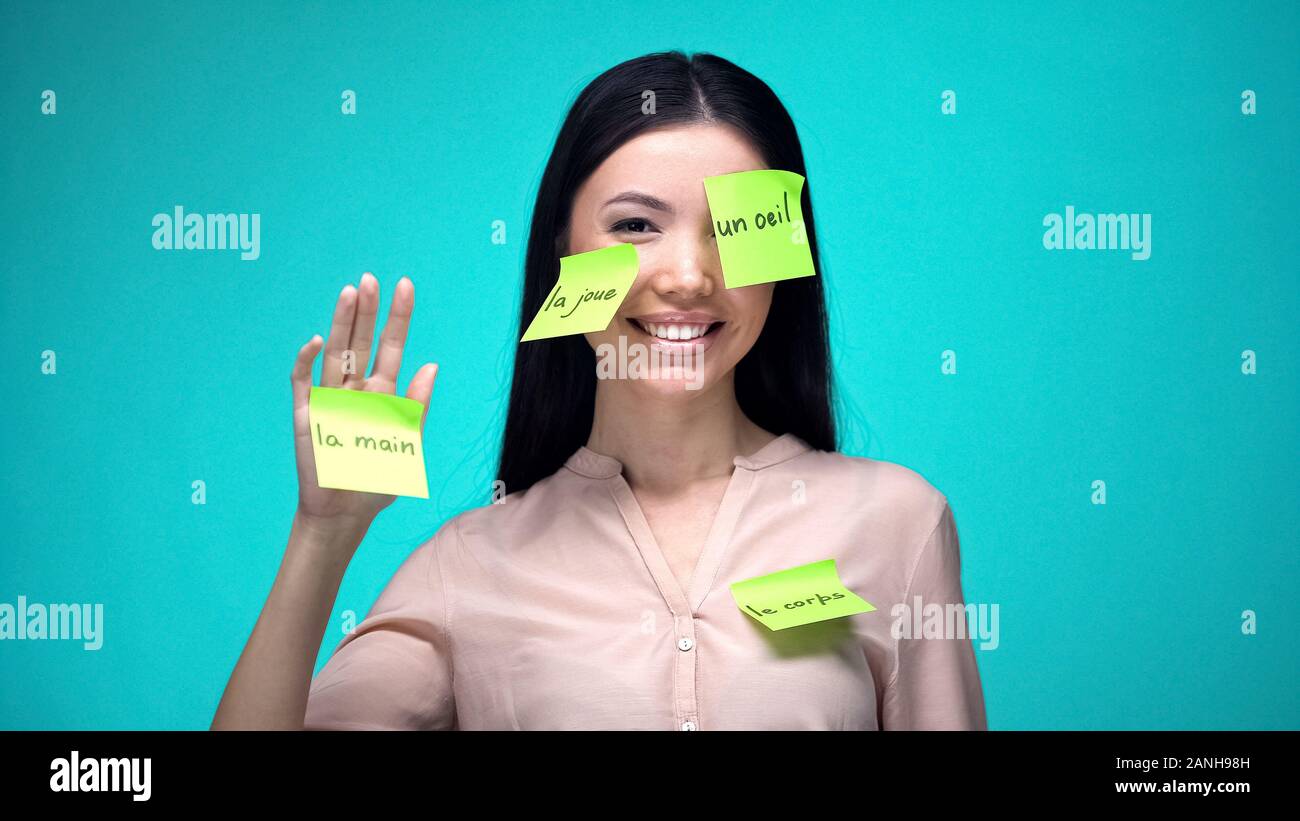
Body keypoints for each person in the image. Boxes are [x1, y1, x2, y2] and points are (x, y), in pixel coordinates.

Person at [211, 50, 987, 731]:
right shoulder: (471, 566)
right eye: (636, 226)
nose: (688, 276)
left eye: (740, 228)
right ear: (562, 251)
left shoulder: (896, 524)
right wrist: (322, 537)